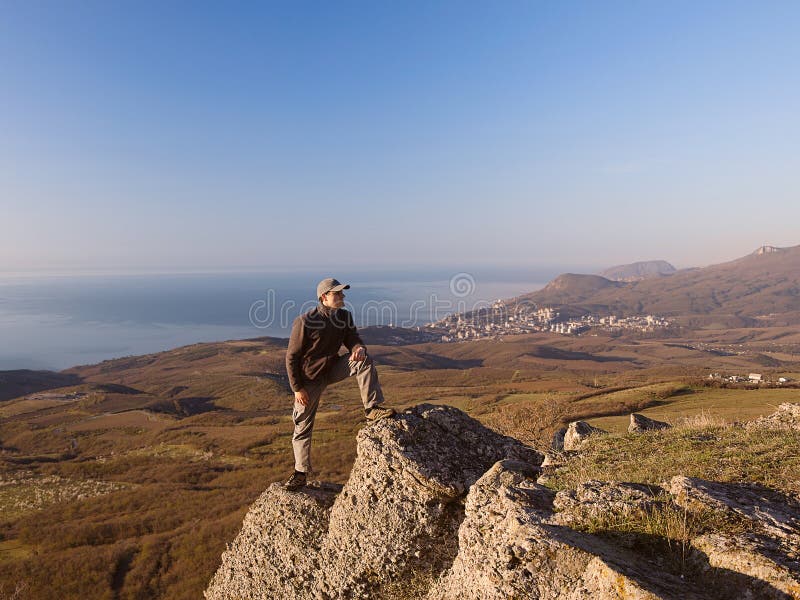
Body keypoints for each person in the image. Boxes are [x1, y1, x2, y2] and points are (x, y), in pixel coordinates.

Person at [284, 277, 394, 491]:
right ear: (324, 297)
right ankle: (300, 473)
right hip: (310, 380)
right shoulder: (305, 321)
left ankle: (371, 409)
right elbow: (291, 357)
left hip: (332, 369)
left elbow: (353, 338)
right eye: (338, 294)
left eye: (342, 293)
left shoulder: (344, 316)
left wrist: (357, 348)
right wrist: (297, 388)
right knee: (302, 426)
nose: (343, 296)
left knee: (365, 360)